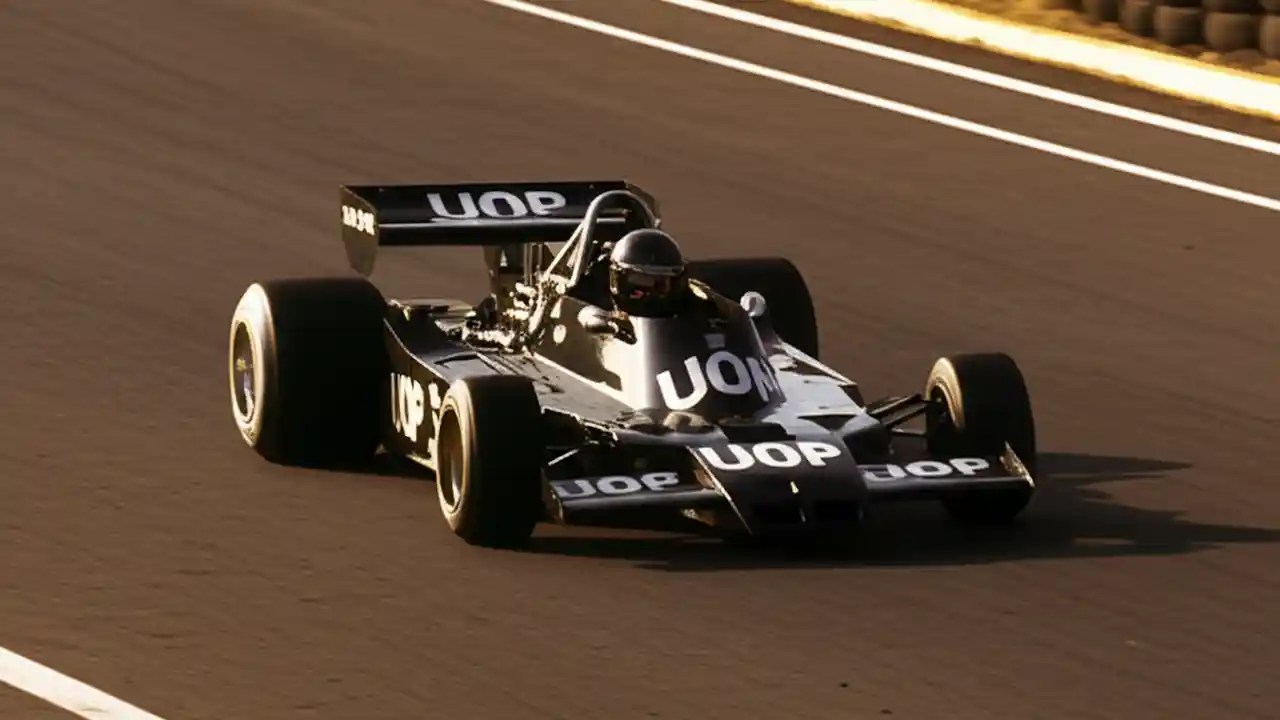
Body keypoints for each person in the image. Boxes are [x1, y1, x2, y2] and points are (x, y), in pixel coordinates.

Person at [607, 228, 693, 317]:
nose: (661, 289)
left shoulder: (689, 306)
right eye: (647, 278)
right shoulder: (603, 311)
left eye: (664, 279)